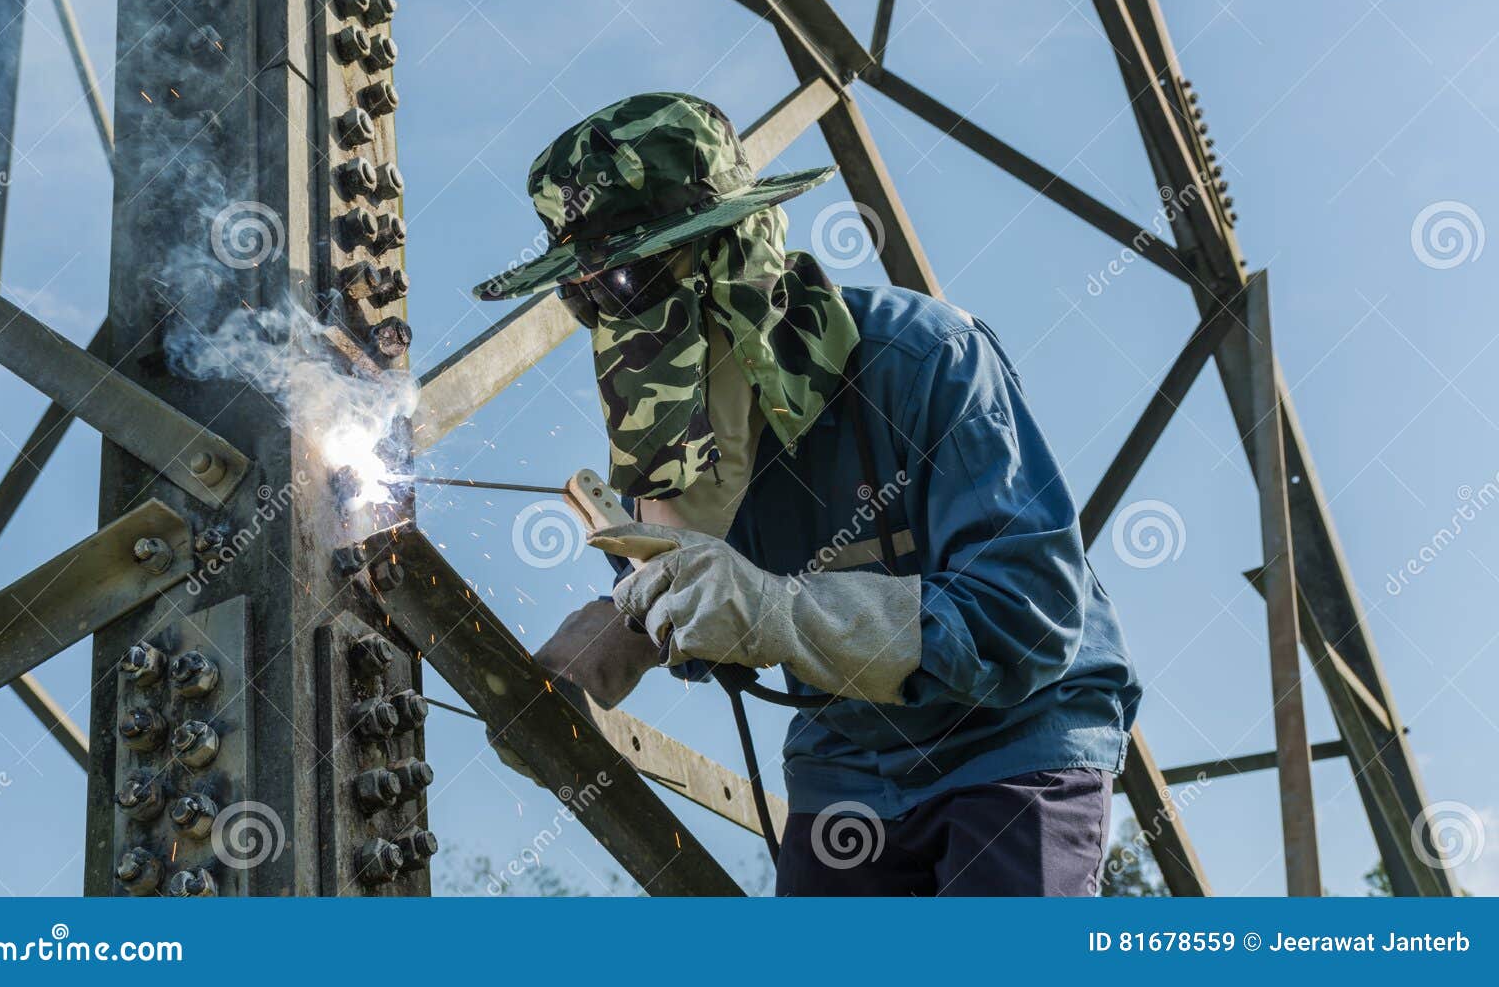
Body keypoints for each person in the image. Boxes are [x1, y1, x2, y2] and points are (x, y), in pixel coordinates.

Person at [472, 91, 1141, 896]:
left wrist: (780, 611)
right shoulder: (670, 420)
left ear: (728, 249)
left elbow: (1027, 616)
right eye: (591, 291)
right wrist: (595, 651)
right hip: (848, 755)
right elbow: (677, 580)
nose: (616, 308)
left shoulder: (924, 358)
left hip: (1017, 735)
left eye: (631, 274)